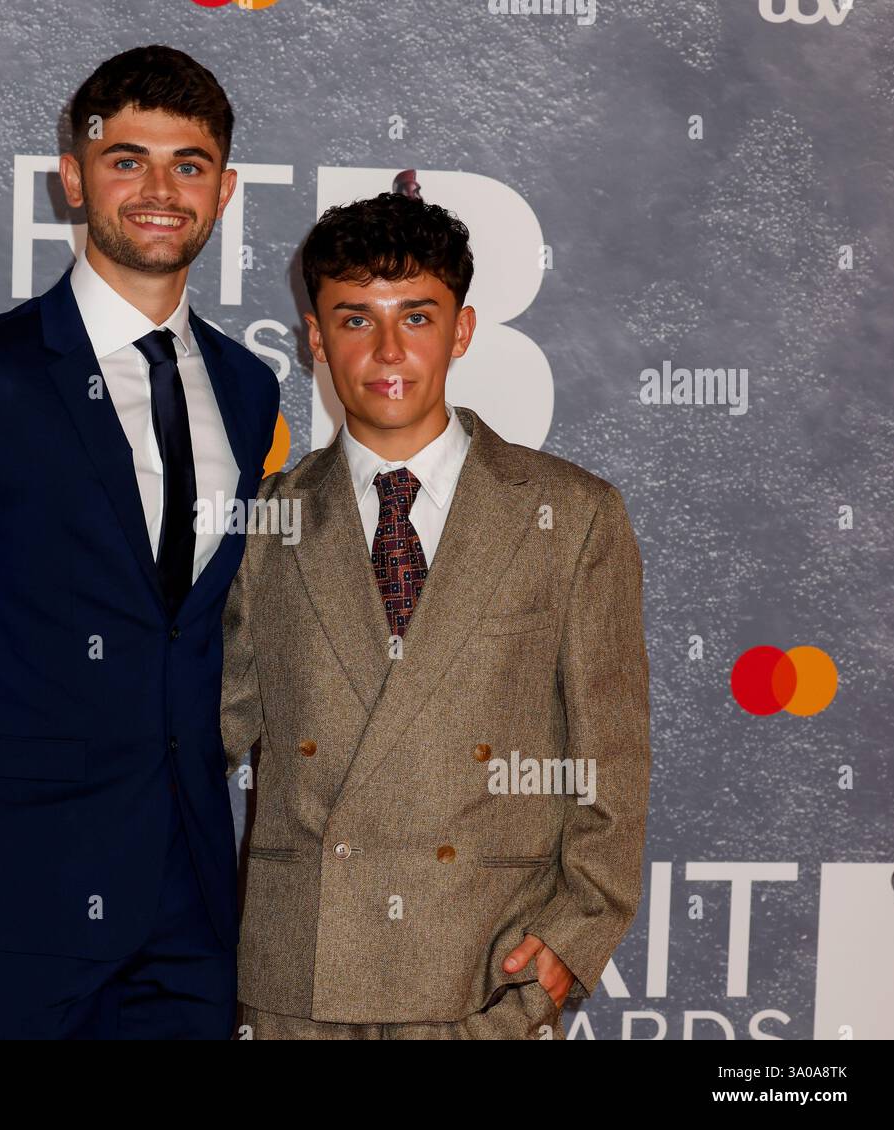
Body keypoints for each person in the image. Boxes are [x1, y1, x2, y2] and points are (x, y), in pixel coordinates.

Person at [0, 44, 279, 1040]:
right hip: (1, 905)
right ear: (71, 178)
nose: (160, 189)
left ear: (226, 187)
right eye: (127, 159)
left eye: (189, 164)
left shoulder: (249, 391)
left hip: (191, 908)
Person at [220, 192, 651, 1039]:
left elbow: (612, 758)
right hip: (298, 982)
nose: (387, 350)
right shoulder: (269, 519)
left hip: (485, 977)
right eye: (354, 319)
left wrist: (573, 941)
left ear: (461, 330)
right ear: (315, 338)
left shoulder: (571, 514)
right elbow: (200, 733)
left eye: (416, 316)